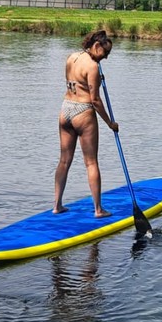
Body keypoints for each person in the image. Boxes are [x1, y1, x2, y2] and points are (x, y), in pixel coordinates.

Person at [54, 29, 119, 218]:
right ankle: (98, 209)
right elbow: (95, 100)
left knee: (64, 160)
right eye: (105, 52)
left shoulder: (71, 57)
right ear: (96, 45)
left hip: (66, 109)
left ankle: (57, 205)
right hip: (83, 112)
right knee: (91, 163)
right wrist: (110, 123)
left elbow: (73, 82)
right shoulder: (92, 67)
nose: (106, 57)